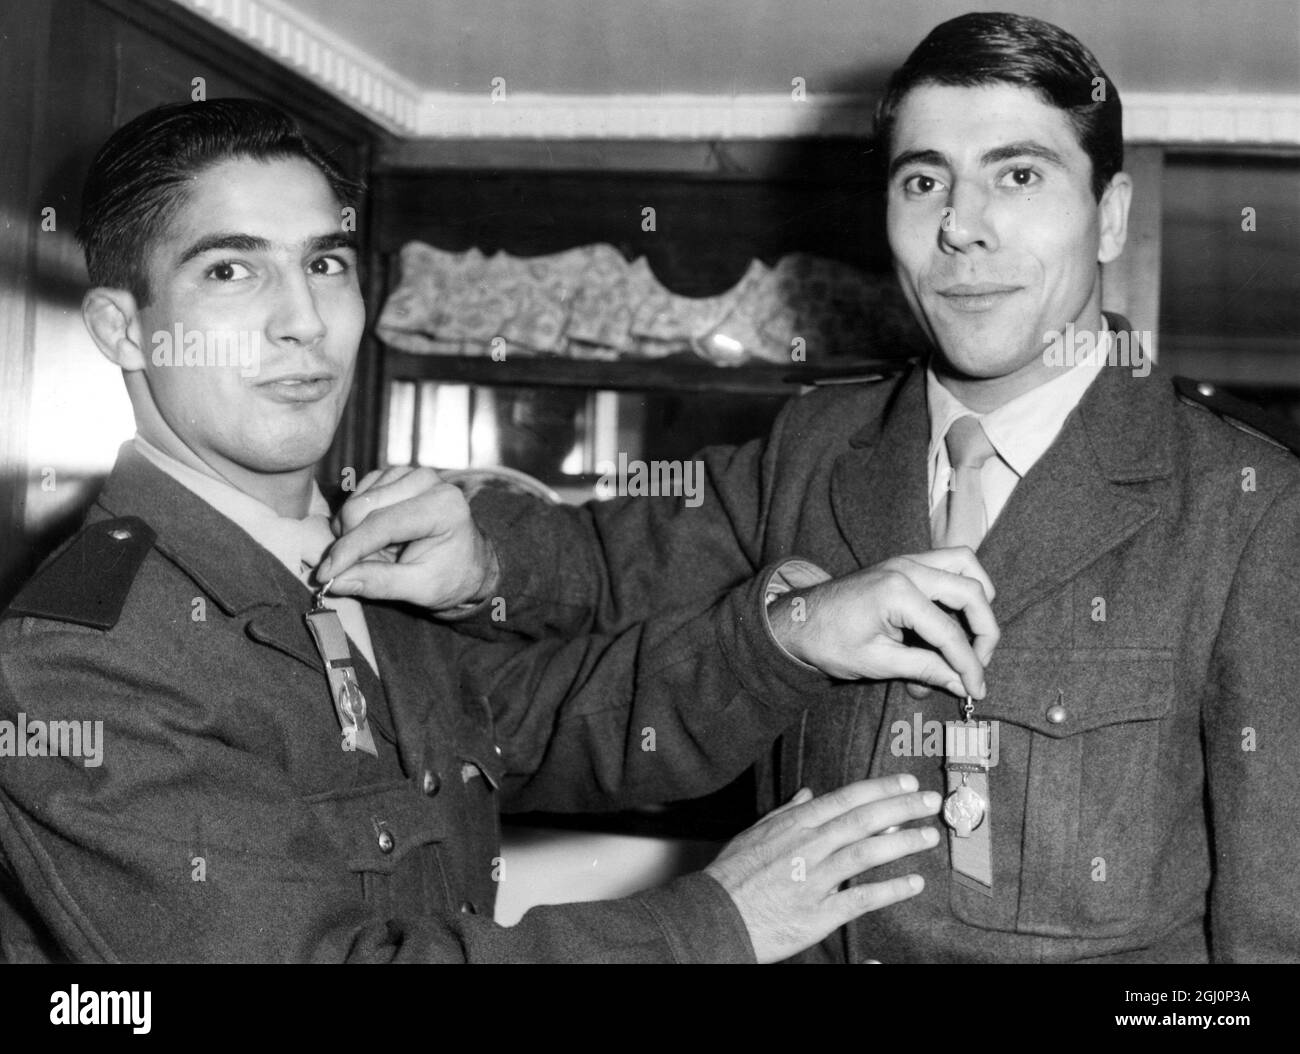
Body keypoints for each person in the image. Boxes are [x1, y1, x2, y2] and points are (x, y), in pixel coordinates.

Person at [324, 13, 1300, 963]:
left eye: (1018, 174)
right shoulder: (817, 442)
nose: (961, 227)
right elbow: (607, 563)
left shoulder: (1245, 508)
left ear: (1111, 216)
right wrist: (481, 556)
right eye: (925, 180)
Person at [0, 99, 1004, 963]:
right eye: (231, 272)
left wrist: (791, 635)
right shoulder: (85, 663)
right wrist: (715, 923)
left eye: (325, 262)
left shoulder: (354, 548)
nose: (301, 319)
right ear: (122, 327)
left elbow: (555, 722)